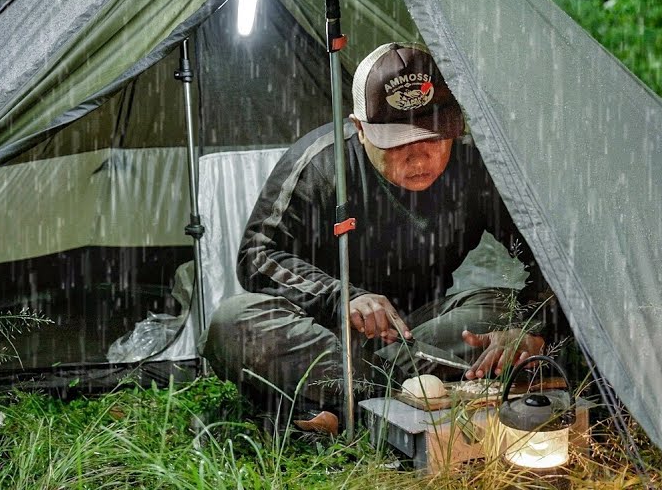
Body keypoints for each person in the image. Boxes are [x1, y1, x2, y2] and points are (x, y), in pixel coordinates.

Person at [202, 42, 554, 434]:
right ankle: (415, 392)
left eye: (434, 138)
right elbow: (257, 255)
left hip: (422, 330)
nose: (420, 159)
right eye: (399, 142)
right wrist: (343, 295)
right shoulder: (321, 164)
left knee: (497, 310)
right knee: (234, 323)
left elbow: (549, 256)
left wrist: (529, 330)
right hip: (328, 337)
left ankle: (342, 402)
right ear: (360, 128)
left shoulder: (474, 168)